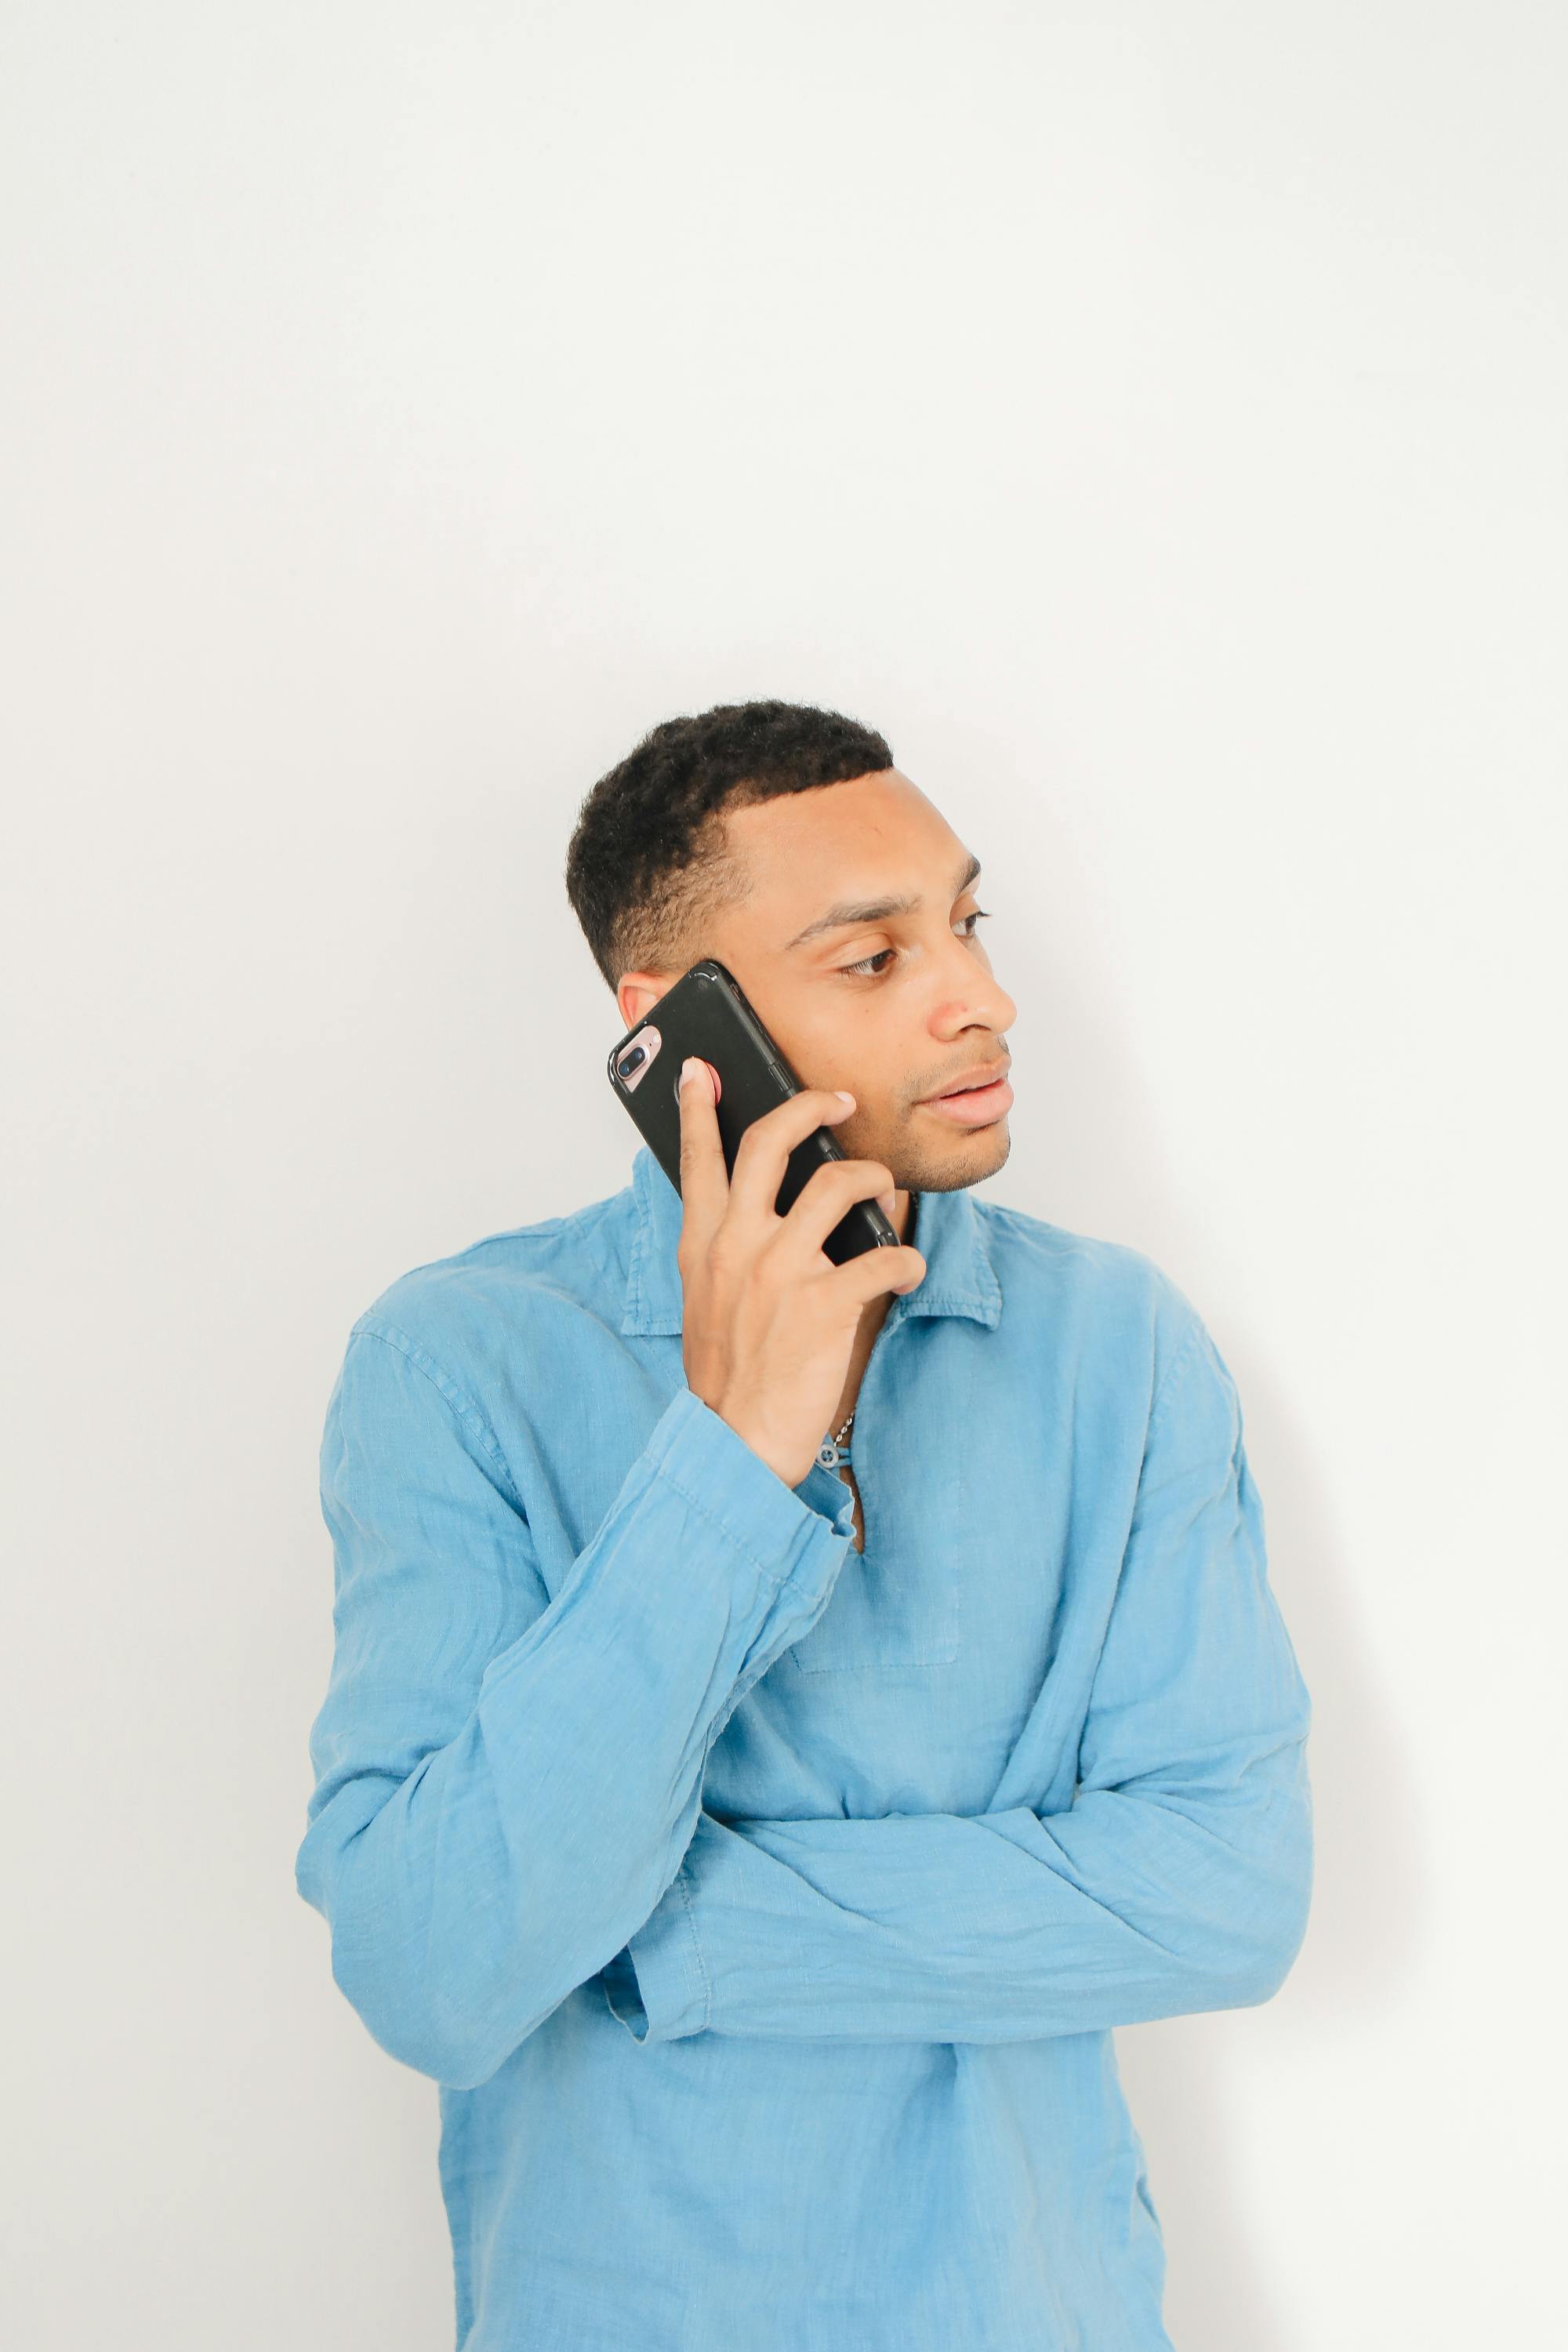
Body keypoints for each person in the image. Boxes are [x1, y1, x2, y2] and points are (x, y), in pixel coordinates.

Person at [294, 698, 1313, 2351]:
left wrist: (642, 1944)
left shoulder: (1117, 1347)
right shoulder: (460, 1358)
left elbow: (1225, 1893)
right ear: (675, 1029)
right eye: (870, 959)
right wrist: (733, 1452)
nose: (978, 997)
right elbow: (432, 1971)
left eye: (966, 923)